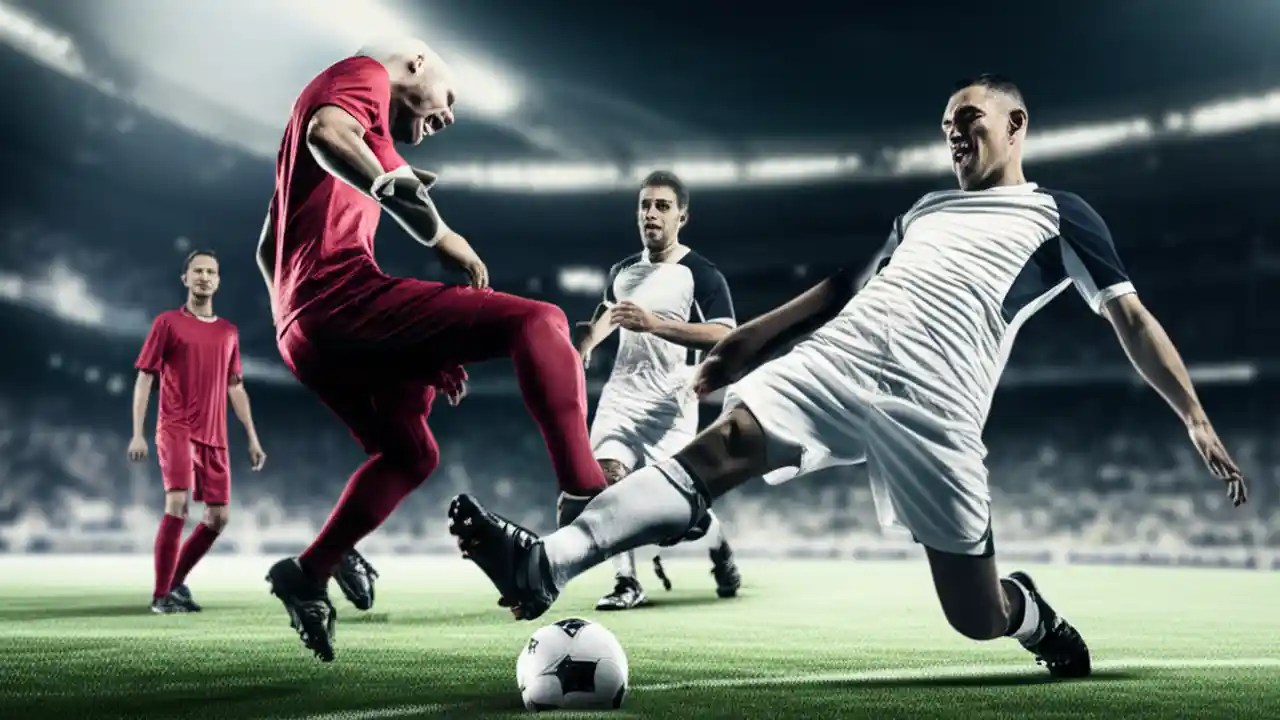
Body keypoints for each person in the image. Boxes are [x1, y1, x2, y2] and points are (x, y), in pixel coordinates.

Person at [449, 74, 1249, 679]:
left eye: (968, 120)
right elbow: (847, 288)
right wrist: (751, 339)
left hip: (937, 406)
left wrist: (1193, 413)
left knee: (973, 617)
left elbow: (1130, 317)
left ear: (1016, 124)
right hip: (844, 359)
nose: (955, 135)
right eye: (946, 127)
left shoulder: (1058, 213)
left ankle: (1029, 614)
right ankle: (544, 562)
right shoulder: (924, 210)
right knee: (718, 451)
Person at [257, 37, 607, 662]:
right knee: (540, 321)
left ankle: (309, 572)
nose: (448, 117)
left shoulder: (371, 141)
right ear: (416, 65)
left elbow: (266, 249)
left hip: (302, 334)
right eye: (449, 98)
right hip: (338, 300)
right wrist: (440, 233)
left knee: (411, 452)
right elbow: (327, 135)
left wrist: (307, 319)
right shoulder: (360, 77)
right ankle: (587, 494)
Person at [576, 170, 741, 610]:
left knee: (676, 517)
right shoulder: (622, 271)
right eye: (645, 205)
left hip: (671, 405)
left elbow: (726, 333)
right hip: (621, 399)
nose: (651, 214)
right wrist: (586, 344)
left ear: (682, 216)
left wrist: (656, 325)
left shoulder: (700, 274)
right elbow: (608, 314)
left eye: (662, 206)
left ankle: (718, 546)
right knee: (607, 482)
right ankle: (626, 581)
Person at [129, 250, 266, 613]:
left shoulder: (229, 332)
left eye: (211, 272)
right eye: (198, 271)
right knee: (178, 503)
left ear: (218, 281)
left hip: (214, 435)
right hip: (175, 427)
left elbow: (235, 387)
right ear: (185, 278)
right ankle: (161, 597)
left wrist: (251, 436)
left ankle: (175, 584)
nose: (204, 277)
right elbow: (145, 377)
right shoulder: (167, 323)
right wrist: (138, 432)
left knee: (219, 517)